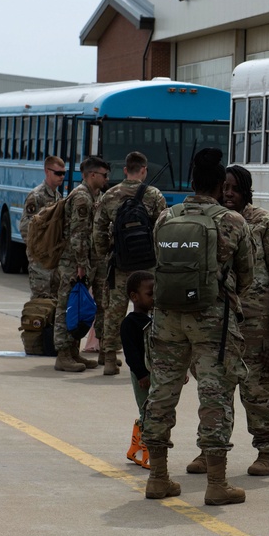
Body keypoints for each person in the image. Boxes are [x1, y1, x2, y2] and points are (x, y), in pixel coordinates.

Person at [141, 148, 253, 506]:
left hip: (167, 317)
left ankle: (158, 478)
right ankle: (217, 484)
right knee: (215, 395)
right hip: (212, 321)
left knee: (161, 393)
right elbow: (247, 275)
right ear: (221, 186)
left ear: (191, 183)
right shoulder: (233, 221)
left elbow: (158, 263)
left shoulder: (165, 217)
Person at [183, 165, 269, 477]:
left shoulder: (265, 223)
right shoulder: (208, 220)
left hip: (256, 321)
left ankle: (267, 451)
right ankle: (210, 450)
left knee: (257, 388)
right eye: (225, 187)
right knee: (214, 388)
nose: (229, 193)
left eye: (235, 188)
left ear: (246, 190)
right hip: (215, 321)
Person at [93, 151, 167, 374]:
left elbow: (98, 230)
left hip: (120, 263)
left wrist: (107, 253)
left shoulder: (110, 195)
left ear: (125, 170)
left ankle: (108, 359)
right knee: (152, 309)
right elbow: (163, 228)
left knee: (114, 310)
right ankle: (152, 357)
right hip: (148, 264)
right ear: (144, 170)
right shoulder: (154, 195)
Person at [53, 157, 110, 373]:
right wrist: (81, 264)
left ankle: (74, 352)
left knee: (82, 306)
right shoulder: (81, 198)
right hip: (75, 262)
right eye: (104, 175)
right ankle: (63, 355)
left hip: (91, 259)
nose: (107, 179)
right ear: (92, 175)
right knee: (68, 305)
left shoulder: (96, 195)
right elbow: (78, 233)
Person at [120, 270, 155, 469]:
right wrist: (141, 373)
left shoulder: (157, 320)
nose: (154, 298)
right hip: (142, 375)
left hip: (158, 373)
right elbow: (131, 353)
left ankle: (137, 448)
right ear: (134, 296)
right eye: (149, 294)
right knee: (147, 411)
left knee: (156, 411)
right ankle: (146, 450)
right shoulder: (130, 323)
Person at [19, 156, 65, 300]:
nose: (62, 177)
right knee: (39, 304)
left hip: (53, 260)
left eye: (64, 173)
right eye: (58, 173)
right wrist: (38, 250)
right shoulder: (36, 196)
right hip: (40, 262)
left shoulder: (58, 197)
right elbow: (25, 227)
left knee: (53, 303)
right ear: (47, 171)